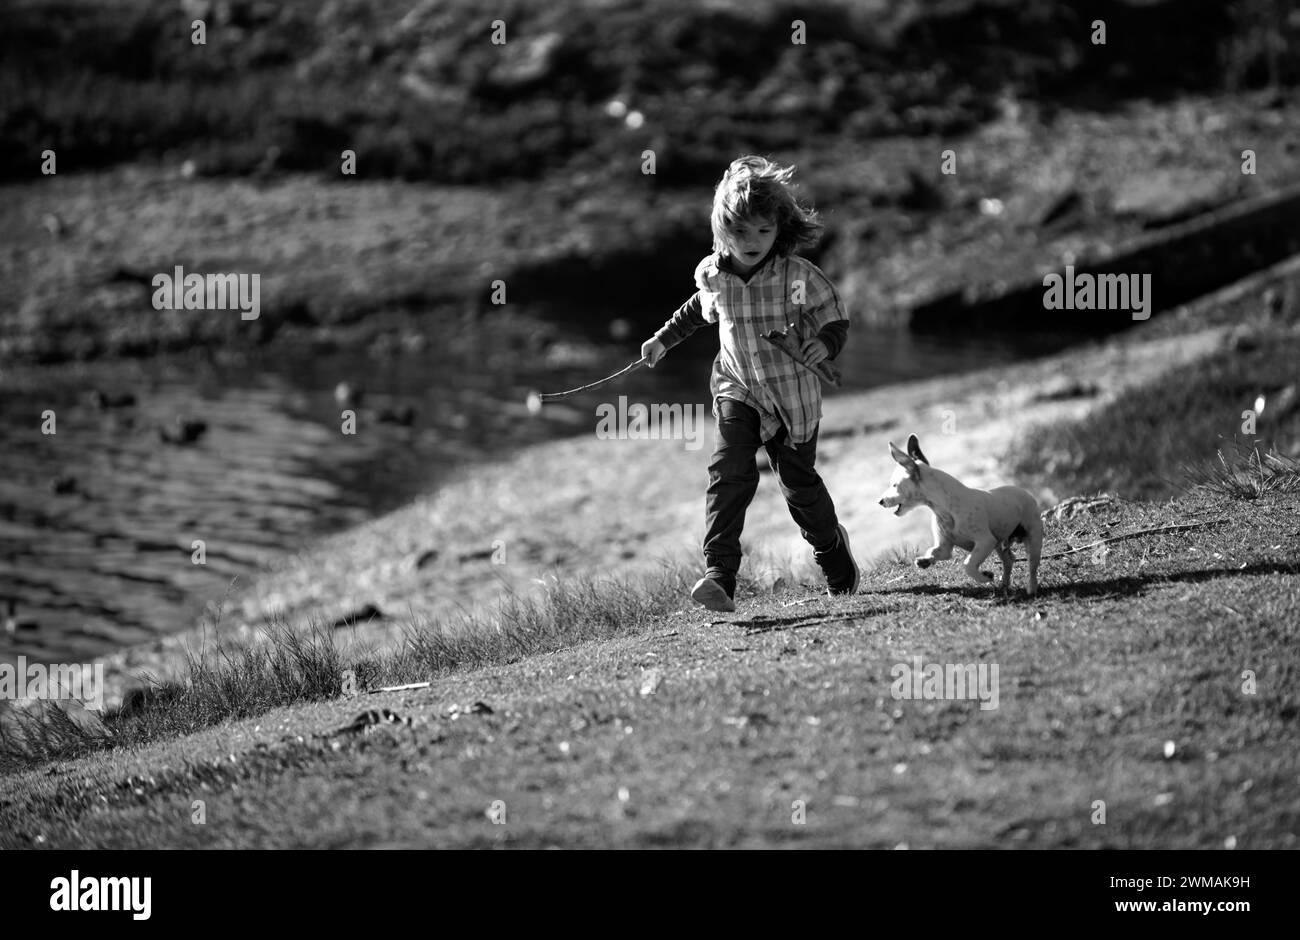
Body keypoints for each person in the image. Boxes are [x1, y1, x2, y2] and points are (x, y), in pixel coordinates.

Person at [640, 155, 858, 612]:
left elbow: (833, 314)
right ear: (724, 231)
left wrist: (825, 342)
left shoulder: (796, 276)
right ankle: (719, 574)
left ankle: (833, 554)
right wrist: (663, 340)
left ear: (779, 227)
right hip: (737, 387)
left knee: (799, 489)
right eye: (740, 232)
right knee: (728, 473)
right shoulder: (715, 275)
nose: (752, 241)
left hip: (792, 398)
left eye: (763, 231)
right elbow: (695, 312)